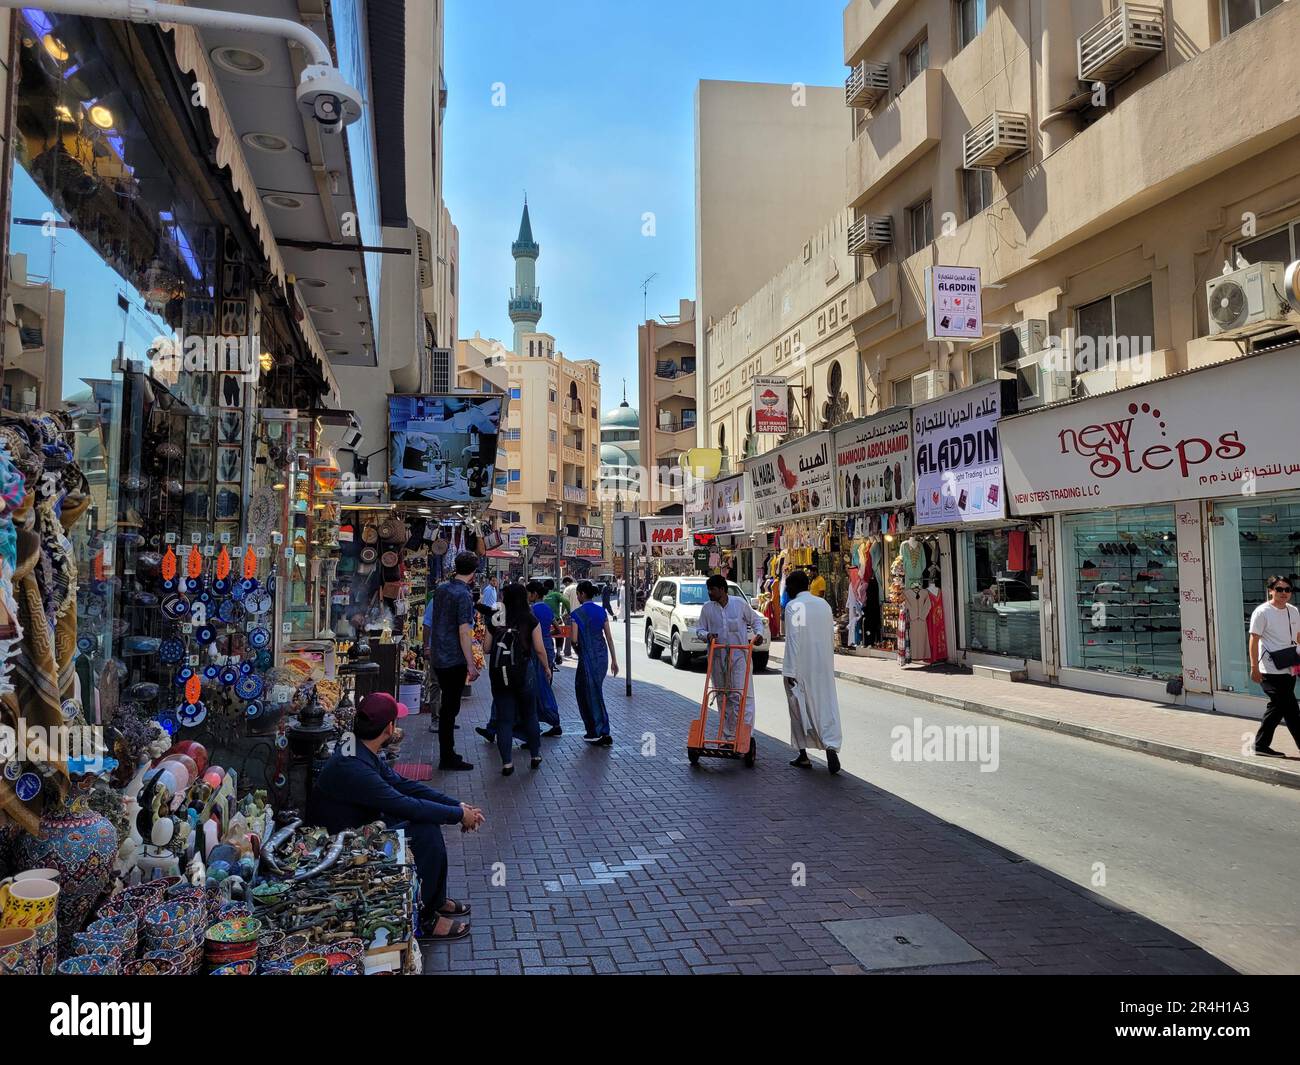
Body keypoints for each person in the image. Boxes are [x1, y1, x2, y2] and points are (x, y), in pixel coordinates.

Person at [312, 693, 485, 942]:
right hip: (344, 843)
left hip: (363, 824)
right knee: (424, 832)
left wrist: (457, 806)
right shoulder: (352, 766)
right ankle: (425, 919)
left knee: (424, 823)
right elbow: (405, 804)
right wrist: (458, 815)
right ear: (389, 728)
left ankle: (434, 900)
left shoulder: (357, 747)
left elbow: (403, 785)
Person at [481, 583, 550, 775]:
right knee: (530, 715)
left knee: (504, 720)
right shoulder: (530, 618)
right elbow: (539, 649)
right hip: (524, 672)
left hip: (499, 674)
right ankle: (535, 755)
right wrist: (546, 667)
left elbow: (486, 648)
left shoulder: (496, 617)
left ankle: (507, 764)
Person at [781, 570, 843, 773]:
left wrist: (790, 670)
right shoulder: (823, 605)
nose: (786, 590)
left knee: (799, 708)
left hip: (801, 667)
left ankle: (803, 754)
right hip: (823, 666)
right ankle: (830, 746)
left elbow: (794, 639)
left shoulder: (794, 606)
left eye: (788, 586)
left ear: (794, 586)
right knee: (825, 706)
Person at [427, 550, 480, 770]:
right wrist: (471, 664)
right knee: (450, 708)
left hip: (438, 655)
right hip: (454, 658)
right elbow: (464, 631)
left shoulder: (441, 589)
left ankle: (448, 754)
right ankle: (447, 757)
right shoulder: (463, 595)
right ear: (474, 572)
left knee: (447, 708)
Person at [697, 573, 761, 743]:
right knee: (722, 696)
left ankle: (745, 736)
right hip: (718, 658)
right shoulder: (707, 609)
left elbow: (756, 621)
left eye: (712, 589)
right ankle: (728, 737)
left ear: (722, 589)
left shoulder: (739, 604)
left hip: (739, 656)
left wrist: (759, 634)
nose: (709, 593)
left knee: (741, 695)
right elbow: (700, 630)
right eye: (708, 589)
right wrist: (707, 635)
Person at [1249, 574, 1300, 757]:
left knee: (1280, 707)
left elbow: (1297, 637)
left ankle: (1260, 745)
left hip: (1289, 666)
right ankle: (1260, 745)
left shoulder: (1293, 611)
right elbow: (1254, 640)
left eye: (1287, 589)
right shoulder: (1262, 612)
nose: (1283, 593)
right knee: (1289, 708)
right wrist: (1254, 667)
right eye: (1279, 589)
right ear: (1270, 590)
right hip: (1269, 669)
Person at [570, 579, 619, 745]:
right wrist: (614, 660)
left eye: (578, 594)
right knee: (595, 691)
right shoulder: (601, 611)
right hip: (602, 656)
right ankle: (598, 730)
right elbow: (609, 638)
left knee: (587, 693)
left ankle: (599, 731)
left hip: (587, 658)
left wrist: (579, 651)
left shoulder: (576, 614)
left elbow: (574, 640)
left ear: (582, 594)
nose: (577, 597)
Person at [528, 580, 563, 735]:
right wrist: (547, 634)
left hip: (537, 651)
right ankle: (548, 721)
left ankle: (549, 720)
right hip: (548, 648)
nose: (527, 596)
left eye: (529, 593)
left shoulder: (531, 610)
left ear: (535, 594)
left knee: (538, 687)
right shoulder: (548, 609)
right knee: (546, 685)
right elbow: (558, 629)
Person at [562, 576, 581, 658]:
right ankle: (580, 652)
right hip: (580, 614)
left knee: (568, 634)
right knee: (579, 634)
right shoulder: (579, 587)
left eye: (564, 584)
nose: (565, 586)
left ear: (567, 582)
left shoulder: (567, 589)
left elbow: (565, 602)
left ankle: (567, 652)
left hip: (569, 614)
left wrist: (563, 613)